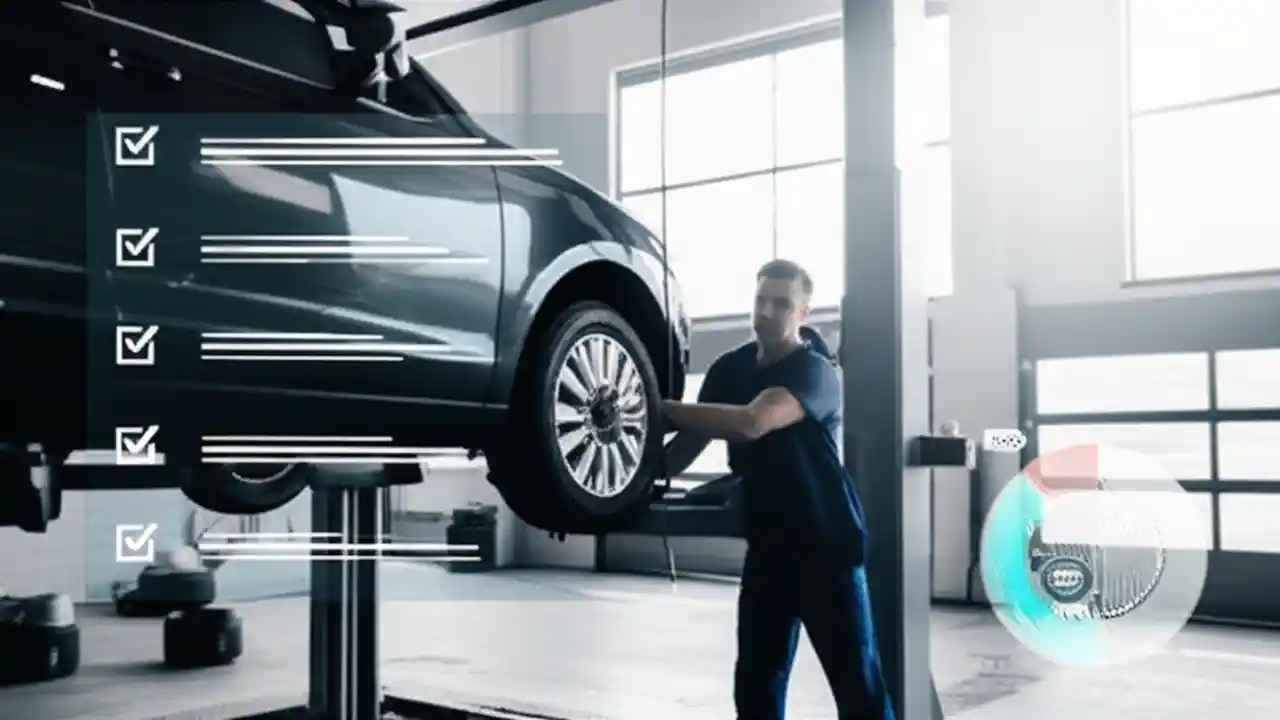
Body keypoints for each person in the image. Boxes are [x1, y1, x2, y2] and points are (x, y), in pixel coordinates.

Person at [661, 259, 895, 720]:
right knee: (756, 685)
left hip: (828, 548)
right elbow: (687, 446)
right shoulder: (729, 368)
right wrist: (617, 481)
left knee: (858, 689)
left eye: (782, 304)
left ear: (804, 313)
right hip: (768, 549)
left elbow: (753, 422)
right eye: (761, 300)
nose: (767, 311)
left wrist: (661, 408)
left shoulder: (815, 372)